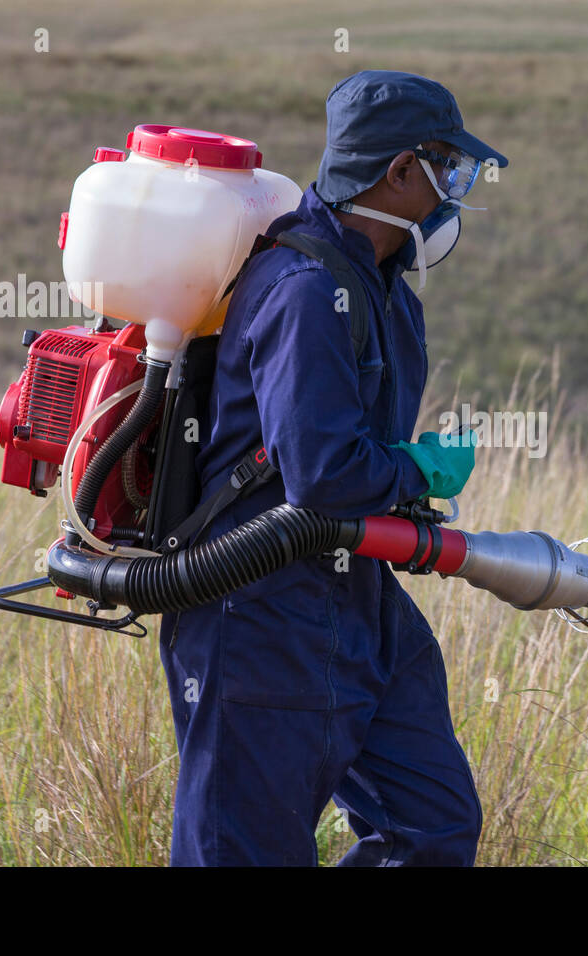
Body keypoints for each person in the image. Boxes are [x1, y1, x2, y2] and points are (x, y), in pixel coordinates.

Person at [158, 70, 508, 866]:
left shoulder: (388, 293)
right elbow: (321, 474)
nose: (458, 188)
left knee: (434, 830)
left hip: (359, 599)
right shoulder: (304, 289)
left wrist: (404, 483)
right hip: (257, 611)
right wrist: (416, 472)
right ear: (399, 172)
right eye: (449, 167)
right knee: (243, 854)